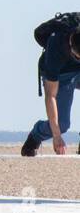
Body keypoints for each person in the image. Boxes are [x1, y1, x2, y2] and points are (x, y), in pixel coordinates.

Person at [22, 22, 80, 157]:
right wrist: (56, 135)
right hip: (62, 74)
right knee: (61, 124)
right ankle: (35, 136)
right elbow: (50, 96)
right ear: (70, 45)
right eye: (77, 56)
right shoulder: (56, 47)